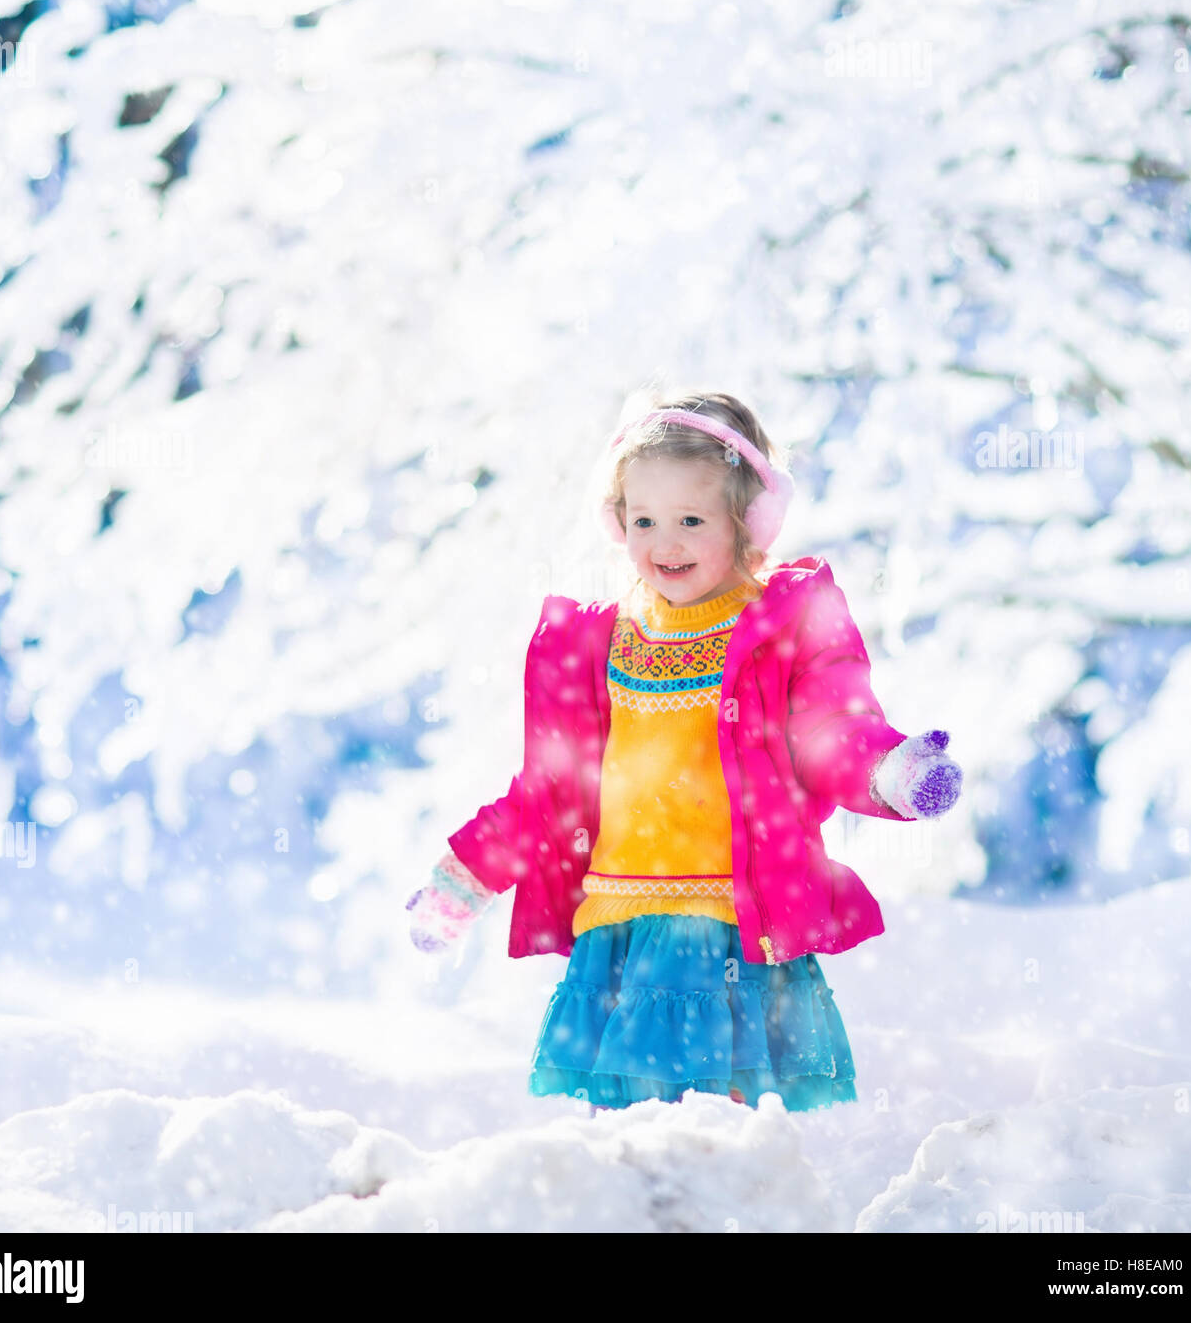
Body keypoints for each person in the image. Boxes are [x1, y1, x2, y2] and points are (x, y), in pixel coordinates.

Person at [406, 390, 962, 1114]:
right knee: (637, 1127)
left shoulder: (775, 631)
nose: (663, 543)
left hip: (728, 925)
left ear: (748, 523)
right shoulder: (600, 646)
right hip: (623, 933)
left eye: (691, 521)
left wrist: (893, 769)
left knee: (721, 1119)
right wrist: (468, 877)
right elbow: (548, 793)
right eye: (643, 520)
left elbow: (832, 729)